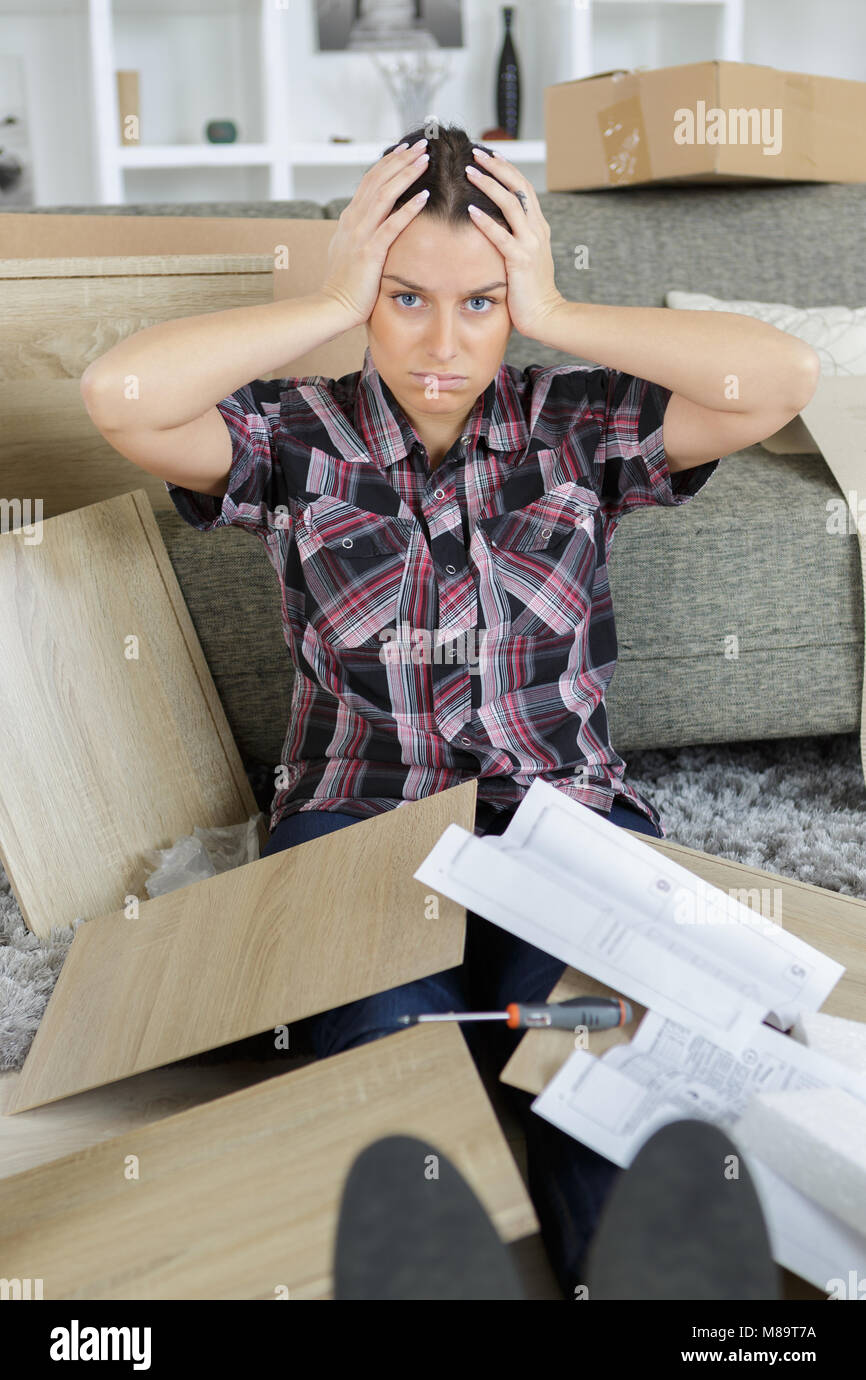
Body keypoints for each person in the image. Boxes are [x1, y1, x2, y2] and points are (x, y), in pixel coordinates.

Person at [80, 123, 818, 1298]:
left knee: (601, 1052)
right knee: (390, 1039)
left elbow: (778, 378)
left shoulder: (574, 423)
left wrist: (556, 310)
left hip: (562, 823)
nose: (439, 341)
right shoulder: (292, 436)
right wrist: (325, 294)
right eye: (403, 298)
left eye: (477, 303)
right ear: (365, 294)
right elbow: (118, 394)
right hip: (356, 826)